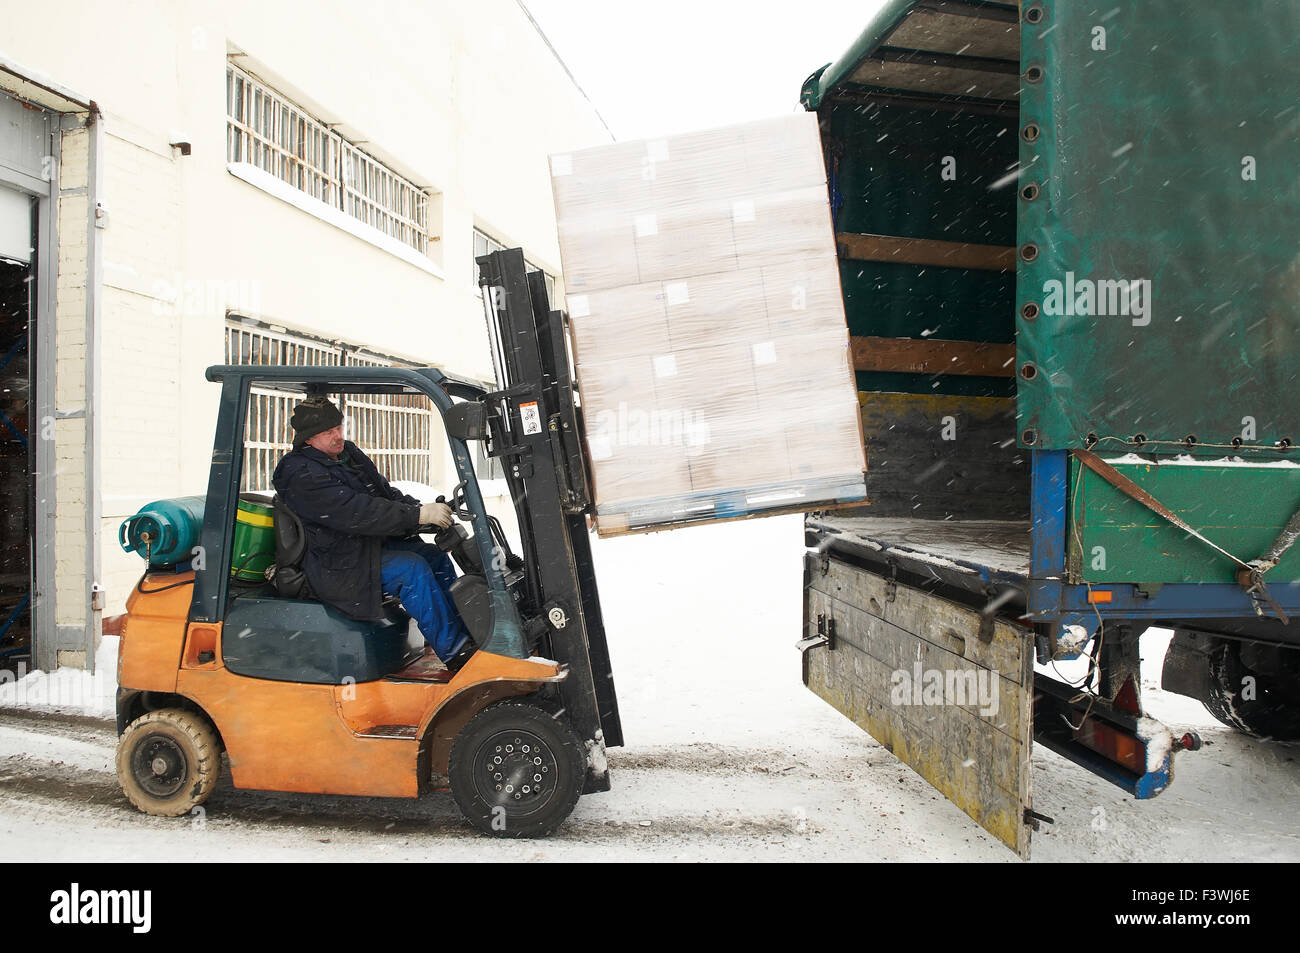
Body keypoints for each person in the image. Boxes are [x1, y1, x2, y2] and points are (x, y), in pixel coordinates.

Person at [272, 396, 475, 670]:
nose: (337, 436)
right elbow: (356, 511)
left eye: (338, 428)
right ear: (308, 439)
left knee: (434, 557)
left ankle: (465, 636)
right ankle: (456, 654)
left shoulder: (347, 454)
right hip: (336, 562)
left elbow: (383, 493)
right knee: (411, 570)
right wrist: (416, 516)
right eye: (328, 432)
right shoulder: (300, 472)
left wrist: (420, 511)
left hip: (364, 549)